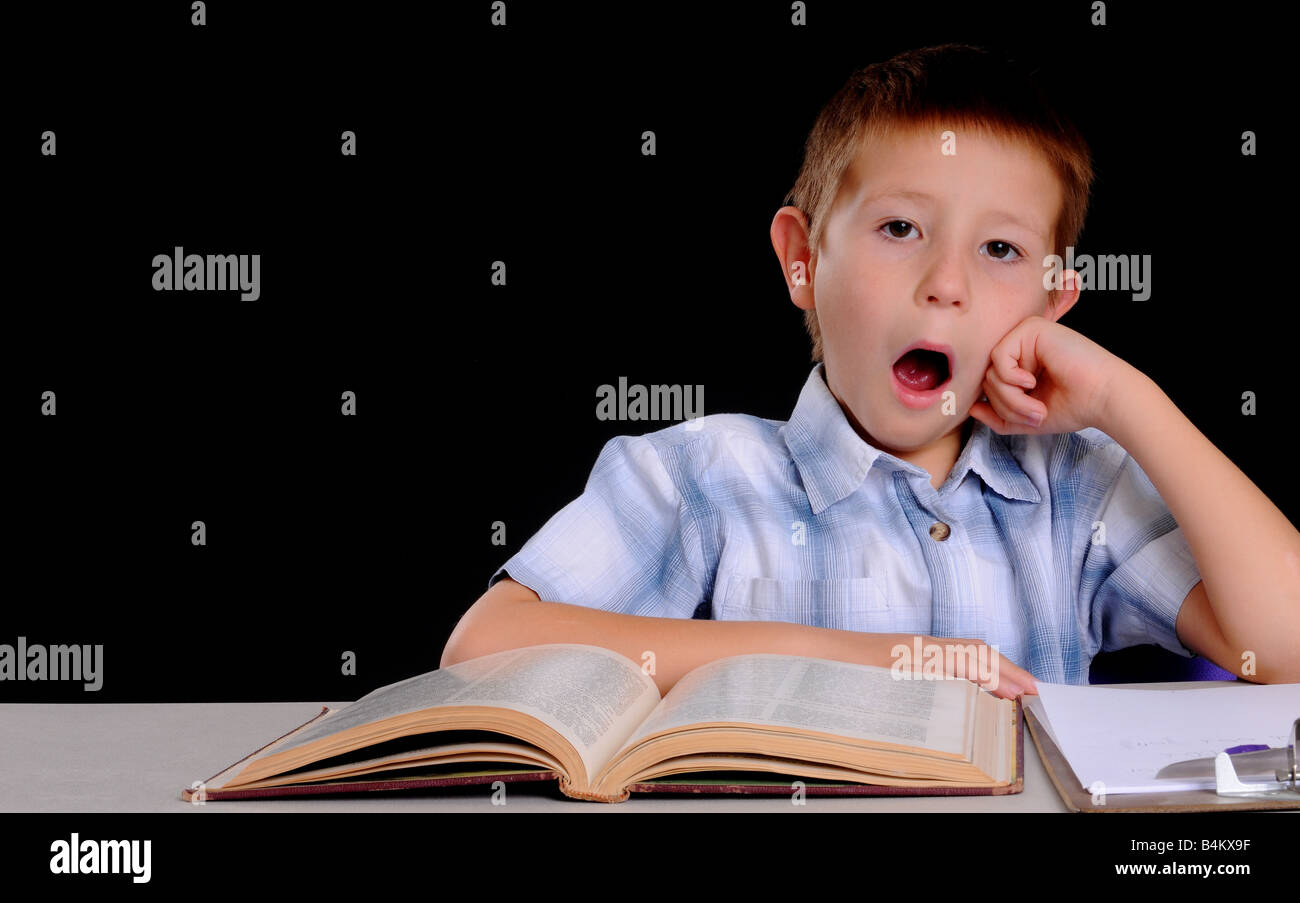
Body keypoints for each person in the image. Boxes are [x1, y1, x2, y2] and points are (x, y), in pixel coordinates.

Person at [442, 44, 1300, 700]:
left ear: (1048, 307)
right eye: (900, 229)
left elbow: (1288, 645)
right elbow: (482, 649)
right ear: (803, 260)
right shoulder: (699, 477)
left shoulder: (1074, 491)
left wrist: (1127, 399)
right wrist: (868, 661)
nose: (947, 284)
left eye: (1000, 249)